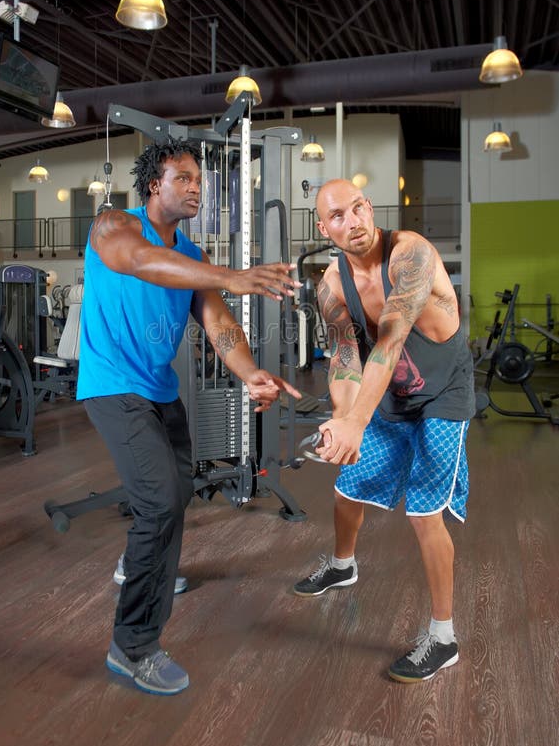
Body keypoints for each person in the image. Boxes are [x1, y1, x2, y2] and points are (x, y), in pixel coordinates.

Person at [77, 136, 301, 696]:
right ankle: (133, 647)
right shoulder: (112, 226)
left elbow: (220, 325)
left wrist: (249, 372)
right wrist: (232, 274)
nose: (197, 188)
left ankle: (138, 567)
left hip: (159, 390)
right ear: (155, 185)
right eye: (185, 179)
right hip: (111, 385)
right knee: (157, 501)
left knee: (176, 498)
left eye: (200, 180)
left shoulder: (195, 259)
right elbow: (140, 262)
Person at [293, 179, 474, 683]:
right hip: (390, 395)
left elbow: (390, 341)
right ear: (322, 227)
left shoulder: (409, 254)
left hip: (443, 395)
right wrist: (341, 420)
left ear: (369, 207)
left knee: (423, 511)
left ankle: (443, 638)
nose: (352, 222)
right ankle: (342, 563)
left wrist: (355, 420)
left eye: (357, 209)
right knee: (349, 482)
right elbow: (346, 359)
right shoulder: (330, 286)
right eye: (337, 216)